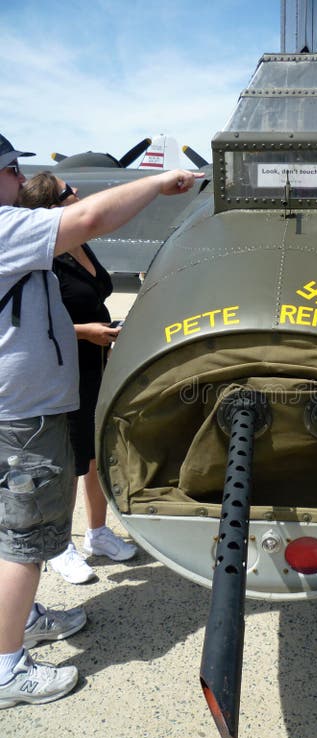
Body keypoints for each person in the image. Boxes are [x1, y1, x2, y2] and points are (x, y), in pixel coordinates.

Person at [0, 131, 202, 708]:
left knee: (13, 532)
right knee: (24, 540)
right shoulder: (4, 228)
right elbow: (89, 217)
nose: (20, 178)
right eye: (14, 169)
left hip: (18, 408)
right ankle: (7, 669)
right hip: (24, 416)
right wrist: (163, 183)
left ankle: (19, 622)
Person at [18, 172, 136, 584]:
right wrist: (86, 331)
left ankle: (98, 533)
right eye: (71, 192)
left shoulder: (79, 244)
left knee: (94, 453)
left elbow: (96, 292)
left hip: (96, 360)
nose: (79, 194)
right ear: (53, 207)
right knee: (68, 459)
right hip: (63, 363)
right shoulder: (38, 254)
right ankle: (61, 546)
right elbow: (31, 322)